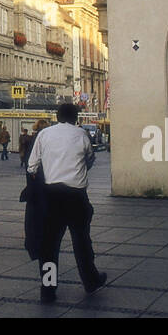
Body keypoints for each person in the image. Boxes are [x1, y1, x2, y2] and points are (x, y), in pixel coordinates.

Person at [27, 102, 106, 301]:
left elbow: (31, 166)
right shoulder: (81, 135)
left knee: (49, 246)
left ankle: (48, 289)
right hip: (76, 197)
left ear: (57, 116)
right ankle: (90, 281)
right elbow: (89, 159)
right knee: (81, 242)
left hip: (51, 197)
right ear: (76, 117)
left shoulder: (44, 135)